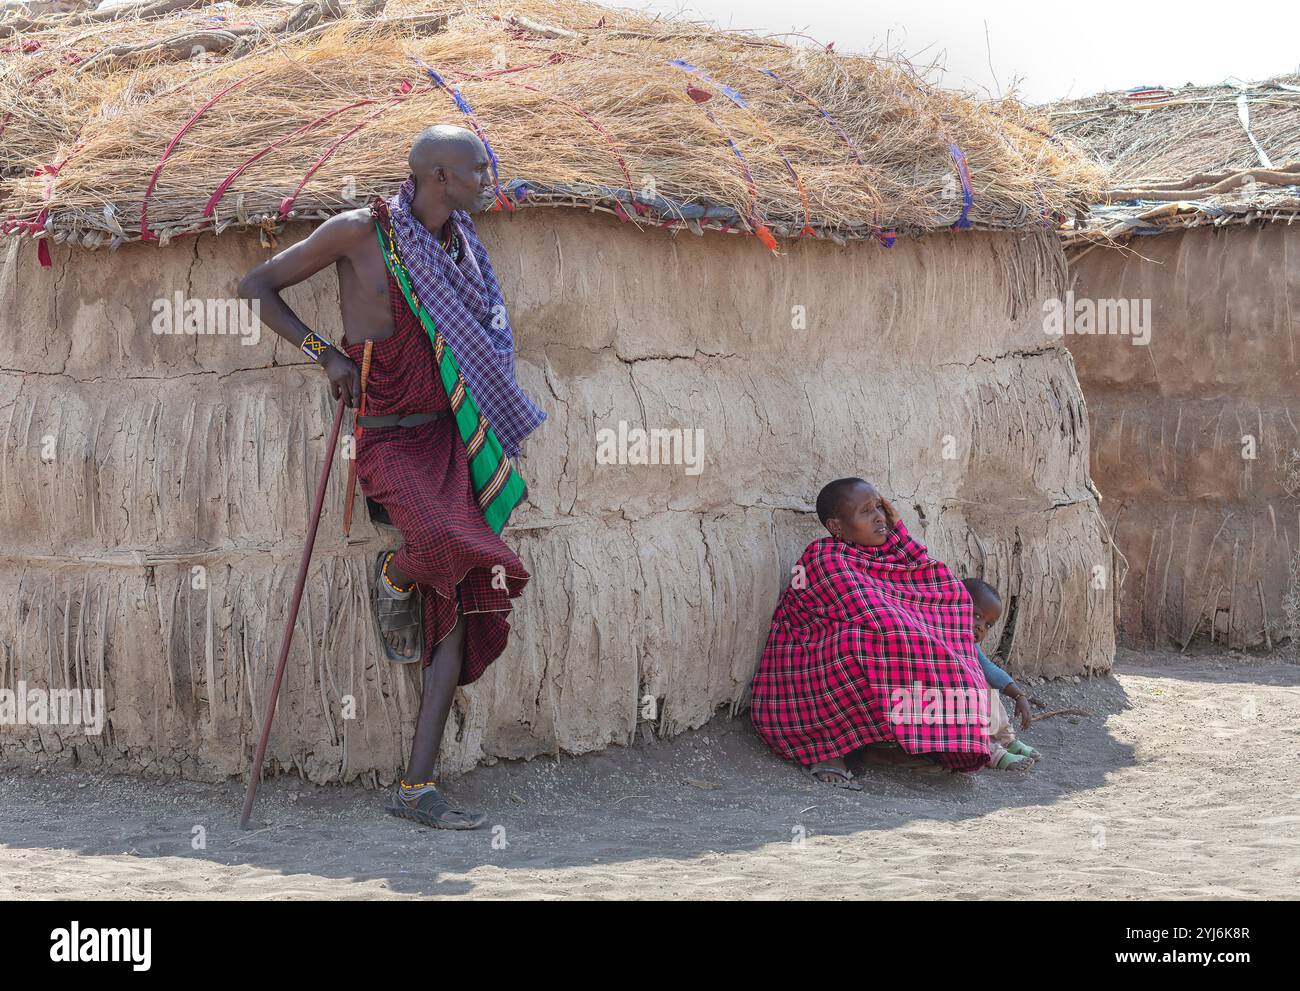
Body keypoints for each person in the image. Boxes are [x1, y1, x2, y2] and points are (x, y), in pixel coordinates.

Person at [238, 125, 545, 829]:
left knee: (460, 604)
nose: (488, 179)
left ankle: (417, 786)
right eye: (477, 170)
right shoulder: (359, 231)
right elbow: (255, 286)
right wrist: (325, 354)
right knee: (448, 545)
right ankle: (395, 576)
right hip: (385, 440)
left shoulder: (460, 247)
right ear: (438, 175)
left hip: (450, 440)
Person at [750, 477, 990, 789]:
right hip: (806, 664)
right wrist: (922, 641)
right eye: (866, 511)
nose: (879, 517)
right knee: (863, 645)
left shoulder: (883, 554)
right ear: (837, 527)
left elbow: (933, 575)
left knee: (932, 650)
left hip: (876, 634)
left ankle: (882, 747)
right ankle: (828, 750)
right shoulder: (824, 557)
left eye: (879, 507)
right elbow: (872, 614)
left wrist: (896, 527)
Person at [961, 578, 1041, 770]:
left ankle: (1006, 741)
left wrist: (1018, 695)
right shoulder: (939, 638)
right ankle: (993, 753)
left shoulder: (970, 648)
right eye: (977, 616)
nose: (981, 627)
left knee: (986, 684)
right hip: (945, 709)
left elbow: (989, 670)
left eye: (988, 625)